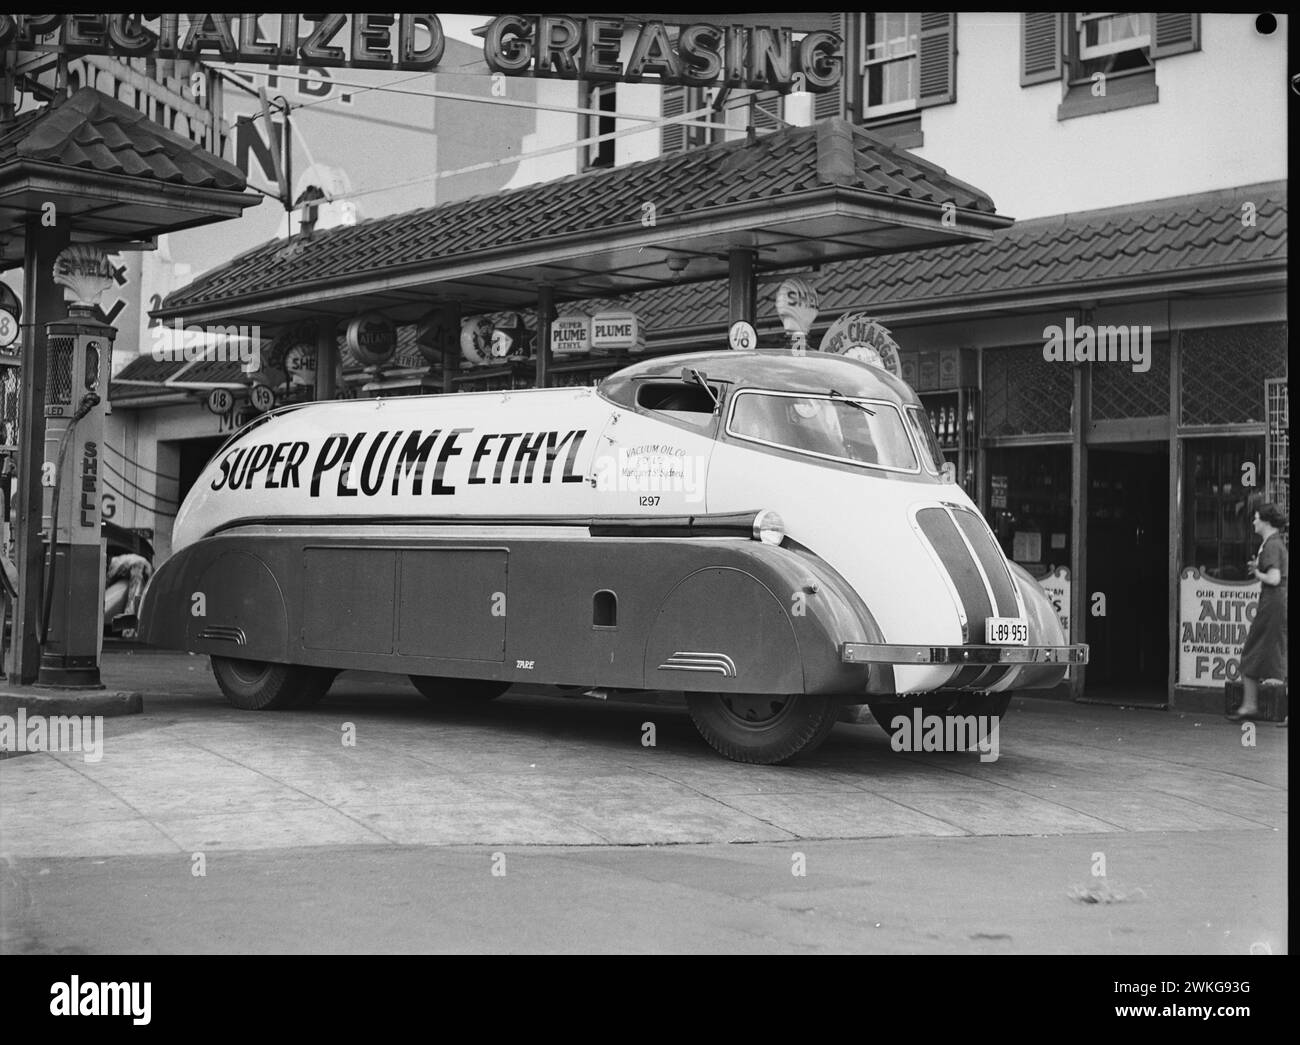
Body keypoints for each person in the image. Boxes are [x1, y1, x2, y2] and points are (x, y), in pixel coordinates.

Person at [1229, 502, 1288, 722]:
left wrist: (1258, 573)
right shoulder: (1273, 543)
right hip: (1274, 603)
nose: (1253, 521)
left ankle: (1250, 705)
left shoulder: (1272, 545)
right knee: (1273, 653)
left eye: (1255, 518)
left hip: (1272, 603)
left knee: (1257, 651)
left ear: (1265, 521)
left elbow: (1273, 578)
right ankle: (1249, 705)